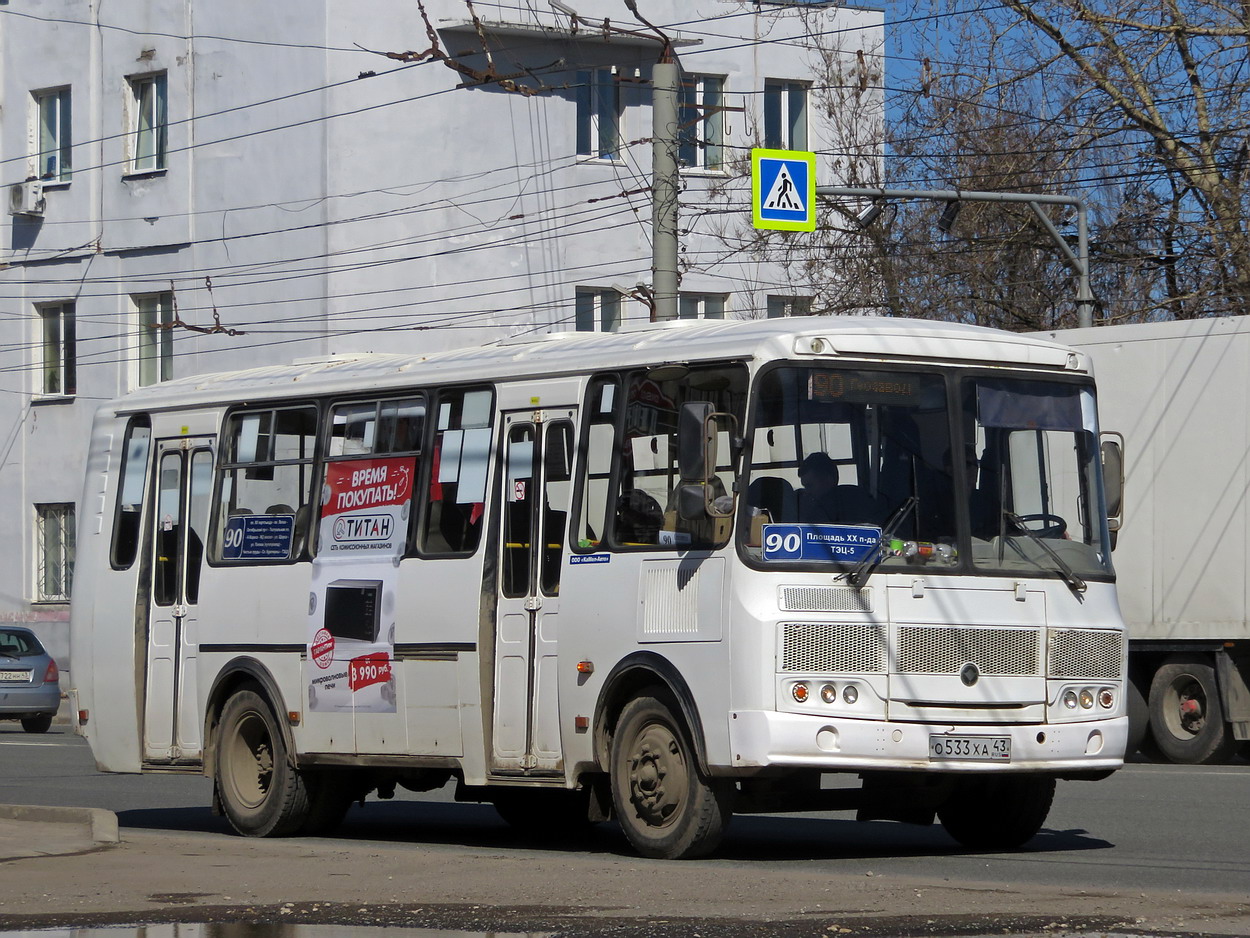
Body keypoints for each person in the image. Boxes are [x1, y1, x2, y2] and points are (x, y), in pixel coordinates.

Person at [797, 452, 840, 524]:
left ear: (828, 480)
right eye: (805, 487)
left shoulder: (846, 509)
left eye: (810, 486)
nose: (807, 492)